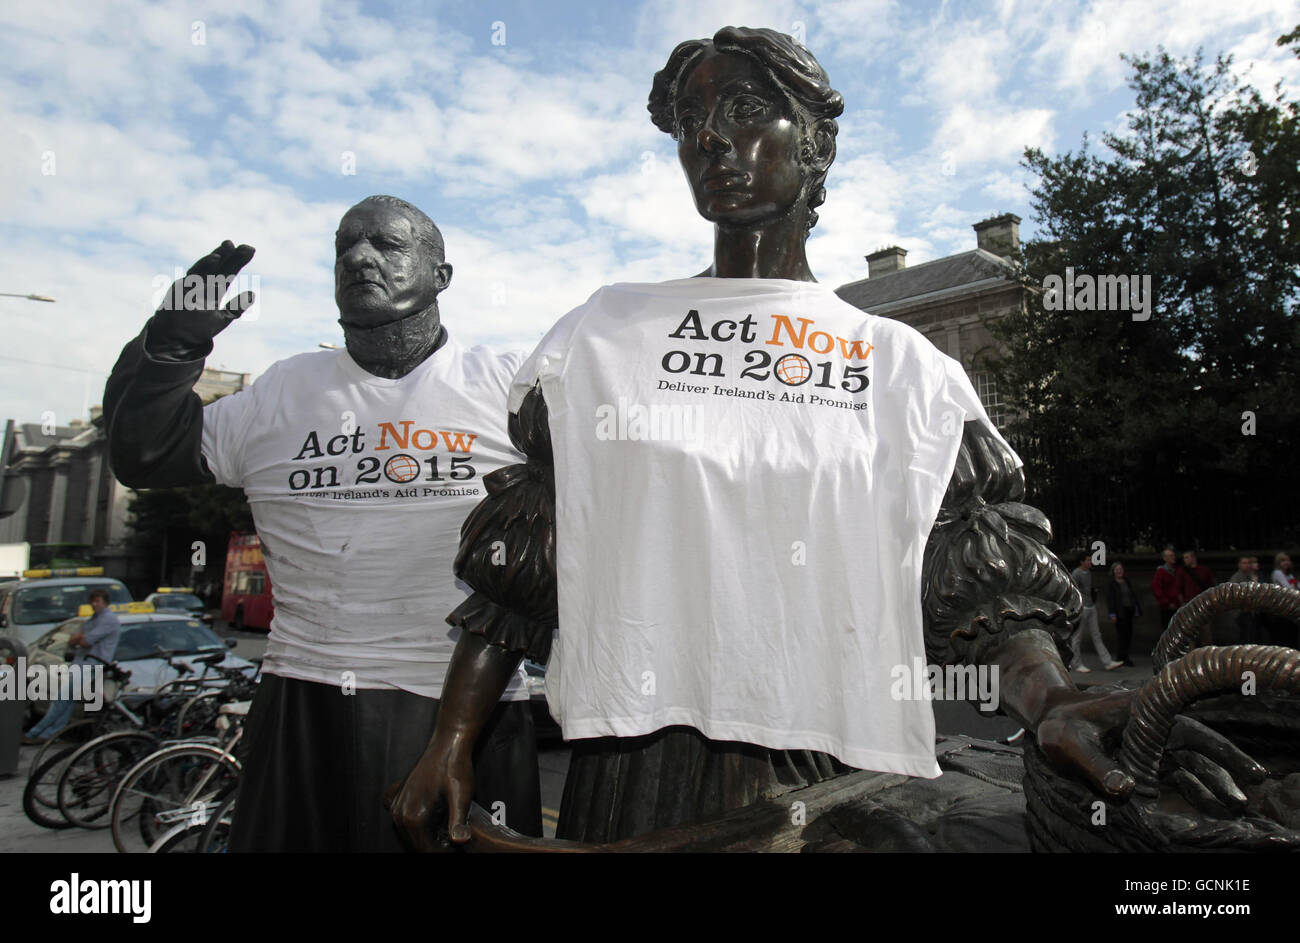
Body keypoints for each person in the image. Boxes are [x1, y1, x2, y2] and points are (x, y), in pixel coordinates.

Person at [388, 27, 1264, 850]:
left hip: (841, 773)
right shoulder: (603, 333)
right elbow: (528, 557)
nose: (712, 142)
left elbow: (978, 581)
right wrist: (453, 735)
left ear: (815, 145)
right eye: (692, 124)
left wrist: (1052, 694)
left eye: (742, 111)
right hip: (632, 766)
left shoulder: (903, 367)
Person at [103, 196, 541, 851]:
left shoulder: (509, 385)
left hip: (469, 709)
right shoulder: (281, 392)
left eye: (387, 245)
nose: (361, 257)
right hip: (303, 702)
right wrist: (169, 343)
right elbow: (141, 453)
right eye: (346, 247)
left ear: (440, 274)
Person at [23, 588, 121, 743]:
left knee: (62, 699)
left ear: (106, 602)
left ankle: (36, 733)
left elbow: (84, 641)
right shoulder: (92, 620)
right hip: (81, 661)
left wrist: (80, 638)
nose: (94, 604)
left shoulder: (108, 619)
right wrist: (79, 638)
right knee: (67, 701)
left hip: (92, 662)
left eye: (98, 601)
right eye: (93, 601)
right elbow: (72, 640)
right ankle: (51, 734)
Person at [1070, 554, 1123, 672]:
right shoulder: (1076, 574)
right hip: (1082, 607)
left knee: (1096, 634)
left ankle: (1107, 662)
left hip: (1091, 606)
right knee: (1077, 636)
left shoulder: (1089, 573)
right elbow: (1072, 590)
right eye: (1088, 560)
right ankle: (1076, 663)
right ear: (1081, 562)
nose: (1090, 562)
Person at [1105, 561, 1141, 667]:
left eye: (1121, 569)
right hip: (1119, 612)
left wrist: (1136, 608)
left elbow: (1132, 595)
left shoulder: (1126, 581)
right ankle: (1122, 655)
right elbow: (1110, 599)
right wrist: (1112, 613)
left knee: (1129, 634)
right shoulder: (1112, 584)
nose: (1119, 572)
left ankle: (1124, 655)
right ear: (1113, 572)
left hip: (1128, 610)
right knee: (1122, 634)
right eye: (1117, 570)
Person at [1177, 550, 1216, 645]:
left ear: (1193, 558)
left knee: (1206, 631)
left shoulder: (1204, 570)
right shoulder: (1182, 572)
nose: (1185, 560)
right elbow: (1179, 588)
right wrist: (1182, 604)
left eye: (1187, 557)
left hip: (1203, 603)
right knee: (1189, 631)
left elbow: (1211, 586)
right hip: (1189, 604)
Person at [1228, 555, 1260, 644]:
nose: (1247, 565)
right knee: (1245, 635)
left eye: (1248, 563)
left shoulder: (1251, 576)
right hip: (1241, 611)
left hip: (1251, 610)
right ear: (1239, 565)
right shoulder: (1236, 578)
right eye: (1244, 563)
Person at [1152, 547, 1180, 634]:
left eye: (1173, 555)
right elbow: (1157, 589)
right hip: (1167, 606)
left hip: (1178, 604)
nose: (1173, 557)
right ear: (1165, 558)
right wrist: (1166, 602)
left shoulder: (1178, 571)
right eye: (1170, 556)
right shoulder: (1161, 572)